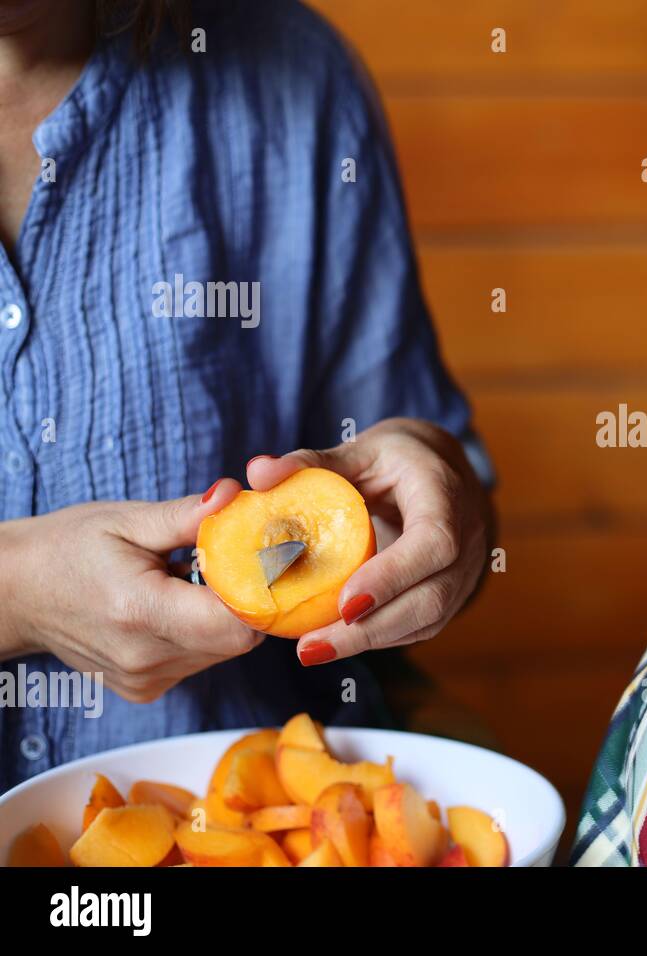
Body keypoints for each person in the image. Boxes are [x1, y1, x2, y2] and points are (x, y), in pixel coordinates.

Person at [0, 0, 493, 791]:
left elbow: (448, 497)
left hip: (249, 819)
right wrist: (17, 593)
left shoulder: (295, 77)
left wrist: (441, 501)